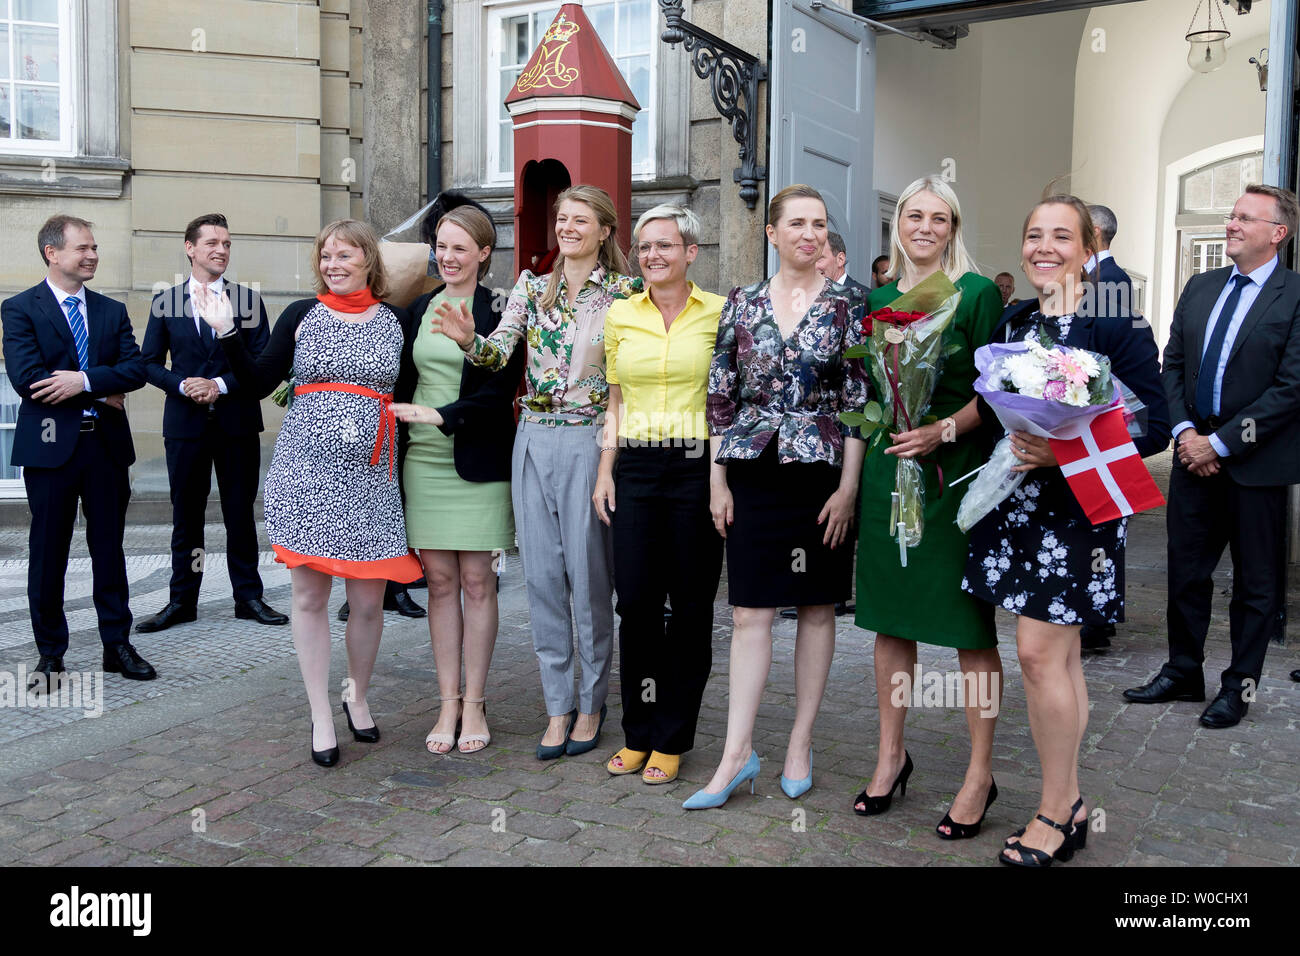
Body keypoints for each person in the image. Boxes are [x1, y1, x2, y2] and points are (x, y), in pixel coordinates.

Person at [964, 196, 1169, 865]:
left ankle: (1055, 812)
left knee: (1037, 656)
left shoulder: (1117, 324)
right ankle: (1072, 801)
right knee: (1059, 660)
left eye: (1061, 236)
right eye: (1033, 235)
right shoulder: (1017, 320)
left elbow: (1153, 424)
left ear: (1088, 248)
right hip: (1019, 509)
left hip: (1079, 510)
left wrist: (1065, 450)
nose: (1044, 247)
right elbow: (999, 410)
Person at [197, 218, 422, 767]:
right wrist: (227, 332)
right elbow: (255, 382)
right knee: (309, 596)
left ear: (369, 261)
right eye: (326, 256)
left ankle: (357, 696)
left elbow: (409, 395)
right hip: (306, 471)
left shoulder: (395, 321)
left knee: (369, 600)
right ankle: (321, 712)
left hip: (370, 477)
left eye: (345, 256)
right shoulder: (301, 314)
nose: (334, 265)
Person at [432, 185, 639, 760]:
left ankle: (593, 704)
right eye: (562, 218)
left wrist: (612, 458)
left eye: (581, 220)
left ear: (604, 231)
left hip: (589, 440)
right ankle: (557, 705)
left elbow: (628, 385)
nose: (568, 227)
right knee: (543, 579)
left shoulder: (626, 292)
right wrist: (471, 339)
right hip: (533, 440)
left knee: (592, 580)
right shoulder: (530, 286)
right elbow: (498, 355)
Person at [683, 184, 867, 809]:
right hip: (754, 469)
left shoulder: (851, 305)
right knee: (747, 613)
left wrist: (848, 487)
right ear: (772, 233)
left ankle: (799, 742)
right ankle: (737, 754)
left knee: (816, 607)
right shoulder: (742, 302)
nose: (809, 234)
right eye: (797, 224)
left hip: (821, 473)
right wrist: (716, 479)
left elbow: (858, 407)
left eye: (819, 224)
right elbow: (719, 397)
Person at [852, 177, 1004, 840]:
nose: (925, 227)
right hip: (890, 469)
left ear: (953, 227)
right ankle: (892, 754)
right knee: (890, 621)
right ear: (899, 223)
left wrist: (943, 430)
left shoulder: (975, 295)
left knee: (969, 629)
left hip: (953, 473)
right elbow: (867, 397)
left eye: (939, 218)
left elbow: (999, 389)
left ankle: (979, 773)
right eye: (915, 215)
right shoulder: (880, 298)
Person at [1125, 184, 1300, 729]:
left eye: (1245, 218)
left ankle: (1237, 687)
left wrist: (1219, 443)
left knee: (1254, 585)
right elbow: (1171, 364)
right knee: (1186, 572)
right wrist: (1183, 433)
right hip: (1191, 460)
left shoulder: (1295, 296)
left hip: (1257, 467)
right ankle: (1182, 671)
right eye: (1231, 215)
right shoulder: (1200, 287)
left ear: (1278, 233)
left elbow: (1291, 388)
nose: (1231, 224)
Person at [592, 204, 726, 785]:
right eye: (644, 247)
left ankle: (673, 736)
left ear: (690, 252)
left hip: (698, 465)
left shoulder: (721, 313)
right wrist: (606, 471)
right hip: (638, 468)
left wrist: (721, 480)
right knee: (638, 605)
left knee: (692, 607)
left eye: (665, 246)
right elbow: (615, 400)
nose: (652, 256)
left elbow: (725, 405)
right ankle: (638, 732)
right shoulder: (620, 315)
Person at [390, 198, 524, 755]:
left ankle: (476, 701)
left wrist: (446, 415)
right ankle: (447, 702)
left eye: (459, 248)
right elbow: (400, 379)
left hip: (478, 459)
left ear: (484, 253)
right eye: (440, 247)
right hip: (423, 460)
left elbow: (501, 393)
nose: (447, 257)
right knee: (440, 584)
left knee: (477, 582)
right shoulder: (419, 308)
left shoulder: (502, 308)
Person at [2, 215, 154, 688]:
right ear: (52, 253)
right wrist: (97, 388)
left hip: (105, 448)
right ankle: (51, 654)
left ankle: (117, 646)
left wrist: (81, 380)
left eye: (94, 247)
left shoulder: (111, 310)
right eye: (82, 248)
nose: (92, 255)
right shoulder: (20, 309)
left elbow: (135, 370)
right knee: (49, 552)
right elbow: (29, 380)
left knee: (108, 548)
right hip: (49, 449)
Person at [138, 213, 287, 633]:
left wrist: (219, 384)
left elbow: (263, 367)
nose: (221, 250)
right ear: (190, 248)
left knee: (240, 512)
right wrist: (184, 385)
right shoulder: (165, 301)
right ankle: (182, 601)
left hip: (236, 422)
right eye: (212, 243)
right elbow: (148, 363)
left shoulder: (247, 301)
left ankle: (249, 598)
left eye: (226, 244)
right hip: (184, 425)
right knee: (187, 515)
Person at [1077, 203, 1138, 653]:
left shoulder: (1110, 280)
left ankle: (1097, 621)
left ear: (1094, 232)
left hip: (1102, 414)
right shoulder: (1093, 277)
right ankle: (1098, 615)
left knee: (1101, 521)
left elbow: (1103, 354)